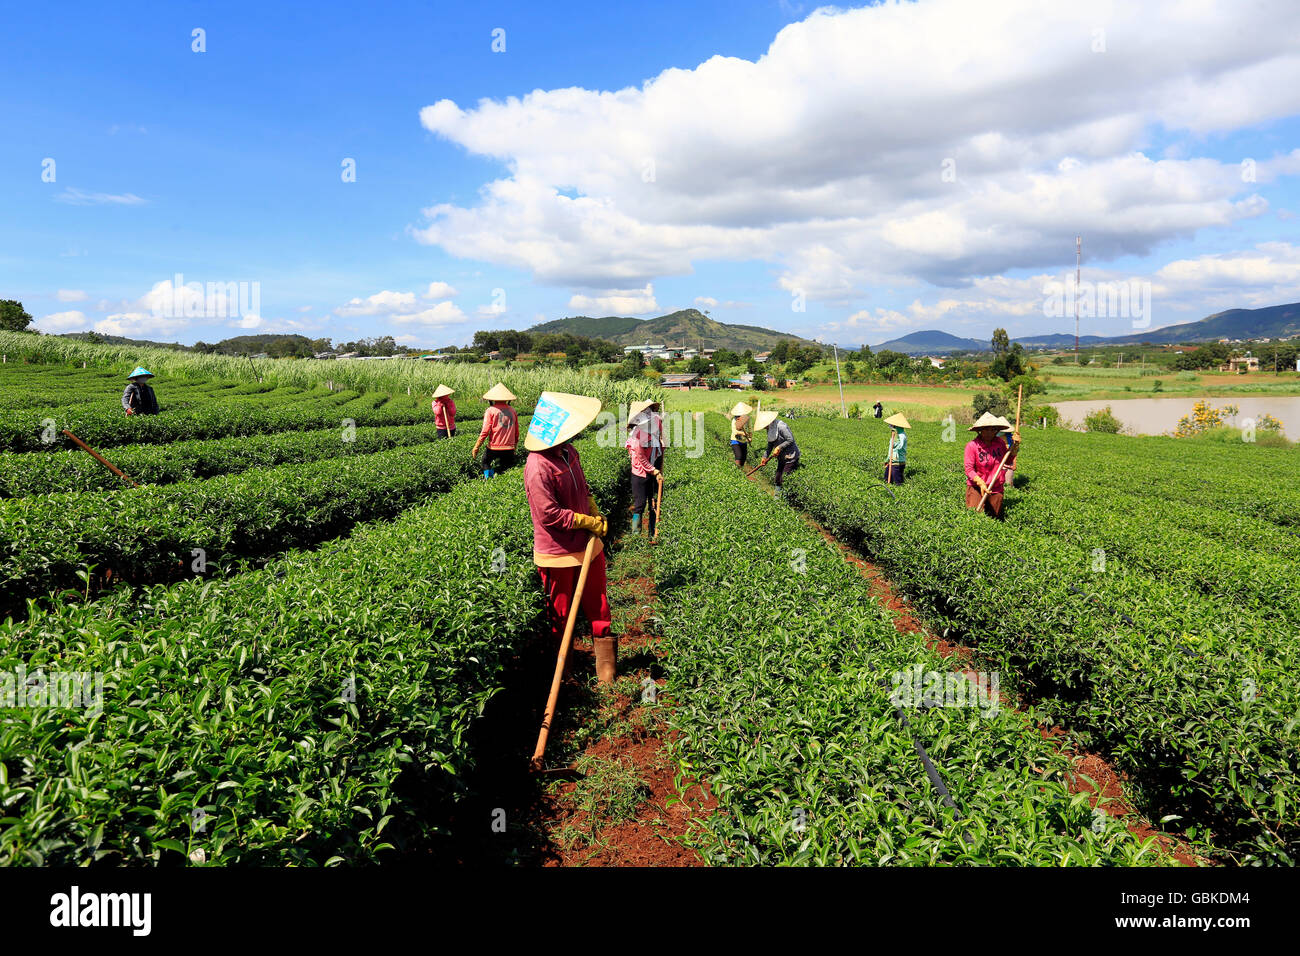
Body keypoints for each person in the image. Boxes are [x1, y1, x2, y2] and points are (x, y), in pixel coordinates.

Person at [524, 391, 617, 683]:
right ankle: (565, 675)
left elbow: (584, 488)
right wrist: (584, 521)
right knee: (560, 616)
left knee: (598, 605)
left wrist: (594, 512)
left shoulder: (569, 452)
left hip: (588, 545)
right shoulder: (538, 466)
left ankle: (607, 673)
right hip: (556, 552)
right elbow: (548, 514)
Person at [964, 412, 1019, 518]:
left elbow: (1006, 461)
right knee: (975, 516)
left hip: (996, 486)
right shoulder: (972, 446)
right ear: (980, 430)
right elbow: (969, 469)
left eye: (993, 429)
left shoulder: (1000, 443)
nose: (989, 432)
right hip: (976, 487)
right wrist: (981, 483)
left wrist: (1015, 447)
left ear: (996, 431)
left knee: (995, 517)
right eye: (986, 429)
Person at [625, 407, 662, 535]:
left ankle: (652, 530)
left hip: (649, 471)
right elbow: (641, 458)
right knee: (639, 504)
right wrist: (654, 471)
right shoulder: (637, 437)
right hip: (640, 475)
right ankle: (636, 534)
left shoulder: (650, 432)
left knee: (652, 501)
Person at [471, 383, 519, 477]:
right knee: (505, 470)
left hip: (494, 448)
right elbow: (516, 432)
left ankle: (489, 480)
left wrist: (476, 446)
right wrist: (515, 447)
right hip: (509, 448)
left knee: (485, 462)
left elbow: (485, 431)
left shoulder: (490, 410)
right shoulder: (513, 410)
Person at [754, 409, 800, 493]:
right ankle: (777, 498)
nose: (764, 427)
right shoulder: (770, 428)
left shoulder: (781, 426)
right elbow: (770, 444)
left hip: (791, 456)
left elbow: (790, 440)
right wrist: (765, 456)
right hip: (781, 456)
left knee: (784, 479)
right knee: (778, 478)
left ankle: (785, 499)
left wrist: (779, 447)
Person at [883, 413, 909, 484]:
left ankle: (899, 494)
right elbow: (891, 449)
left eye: (893, 425)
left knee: (897, 481)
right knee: (886, 478)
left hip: (898, 462)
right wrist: (887, 459)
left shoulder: (902, 435)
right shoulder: (895, 434)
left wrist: (896, 443)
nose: (891, 426)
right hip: (892, 461)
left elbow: (900, 446)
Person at [728, 401, 753, 468]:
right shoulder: (735, 420)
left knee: (744, 458)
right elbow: (735, 432)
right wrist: (744, 433)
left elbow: (750, 428)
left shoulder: (747, 419)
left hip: (744, 441)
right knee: (738, 456)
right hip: (735, 440)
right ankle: (737, 471)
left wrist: (750, 437)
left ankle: (740, 470)